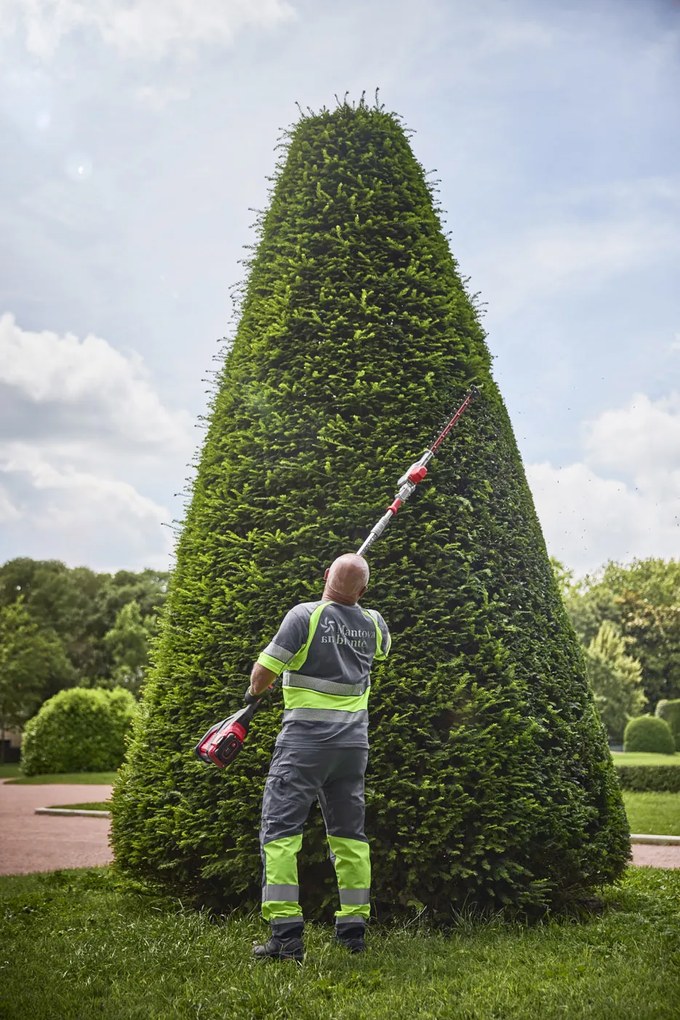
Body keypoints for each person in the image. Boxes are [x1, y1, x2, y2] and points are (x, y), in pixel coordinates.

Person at [246, 552, 391, 961]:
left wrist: (259, 691)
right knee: (349, 837)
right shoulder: (375, 624)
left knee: (280, 834)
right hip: (352, 749)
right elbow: (378, 648)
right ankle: (353, 932)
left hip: (304, 748)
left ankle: (287, 938)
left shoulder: (303, 616)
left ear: (325, 575)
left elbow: (261, 677)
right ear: (364, 590)